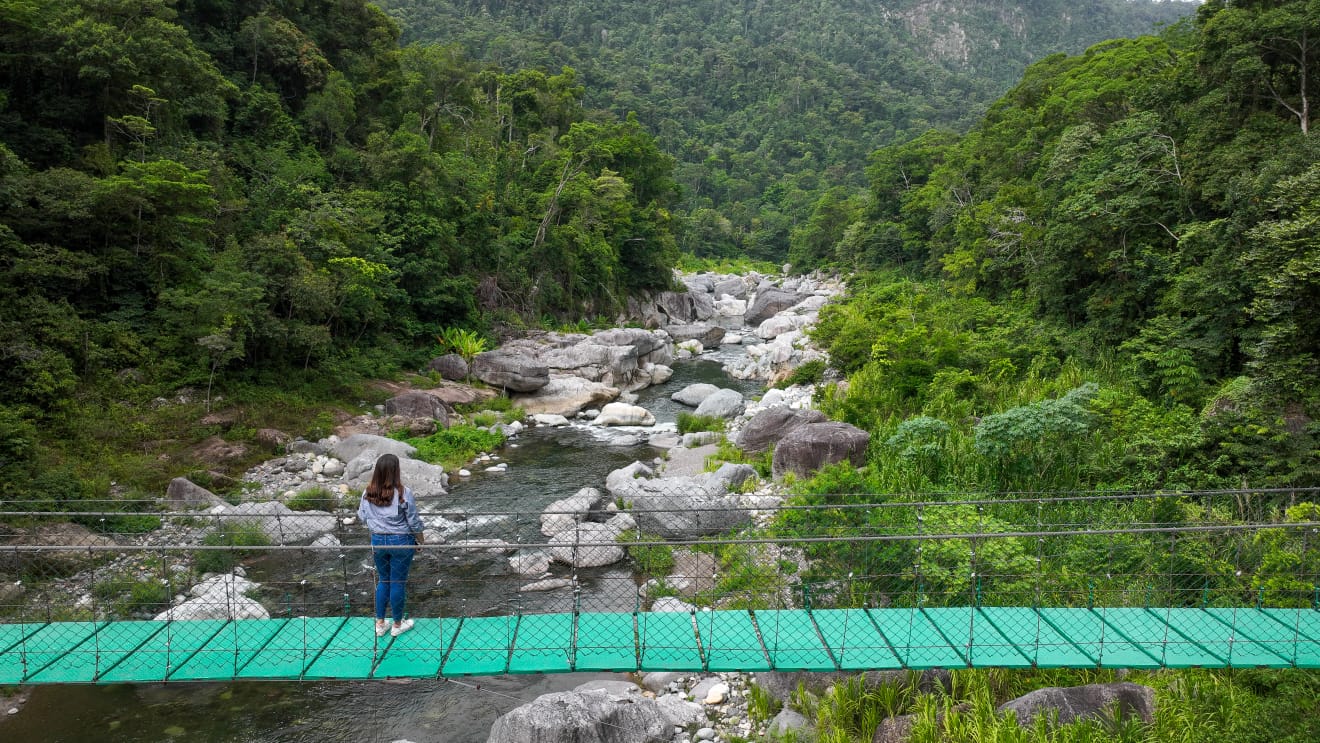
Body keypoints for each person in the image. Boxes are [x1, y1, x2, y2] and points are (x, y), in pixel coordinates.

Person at [356, 453, 425, 637]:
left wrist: (377, 522)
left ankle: (380, 624)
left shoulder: (367, 492)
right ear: (396, 471)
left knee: (383, 580)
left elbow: (362, 517)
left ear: (377, 471)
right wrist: (420, 540)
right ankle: (396, 624)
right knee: (398, 583)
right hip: (401, 542)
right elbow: (413, 522)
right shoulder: (403, 493)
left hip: (378, 541)